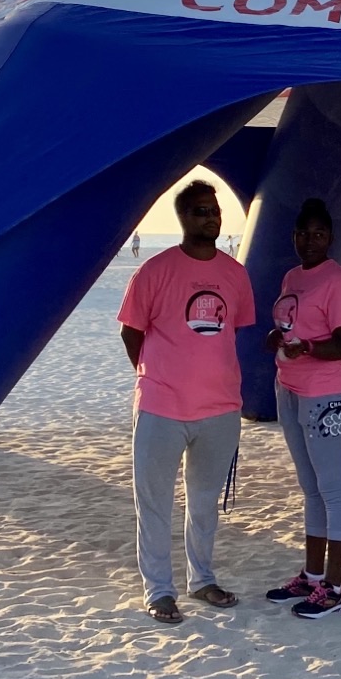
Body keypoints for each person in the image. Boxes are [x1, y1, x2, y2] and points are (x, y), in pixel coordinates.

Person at [117, 180, 255, 624]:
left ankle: (202, 579)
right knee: (154, 502)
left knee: (204, 501)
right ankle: (158, 590)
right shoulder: (154, 271)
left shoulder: (235, 274)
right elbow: (131, 332)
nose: (210, 218)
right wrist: (158, 375)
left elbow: (234, 331)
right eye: (199, 211)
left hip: (219, 409)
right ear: (183, 218)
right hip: (161, 407)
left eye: (213, 210)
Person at [264, 198, 341, 618]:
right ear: (294, 236)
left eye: (319, 234)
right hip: (289, 387)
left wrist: (308, 347)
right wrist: (277, 338)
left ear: (331, 238)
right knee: (311, 487)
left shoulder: (339, 282)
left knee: (335, 489)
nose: (310, 241)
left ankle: (335, 589)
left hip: (327, 395)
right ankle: (313, 575)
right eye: (303, 234)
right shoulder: (291, 276)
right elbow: (290, 324)